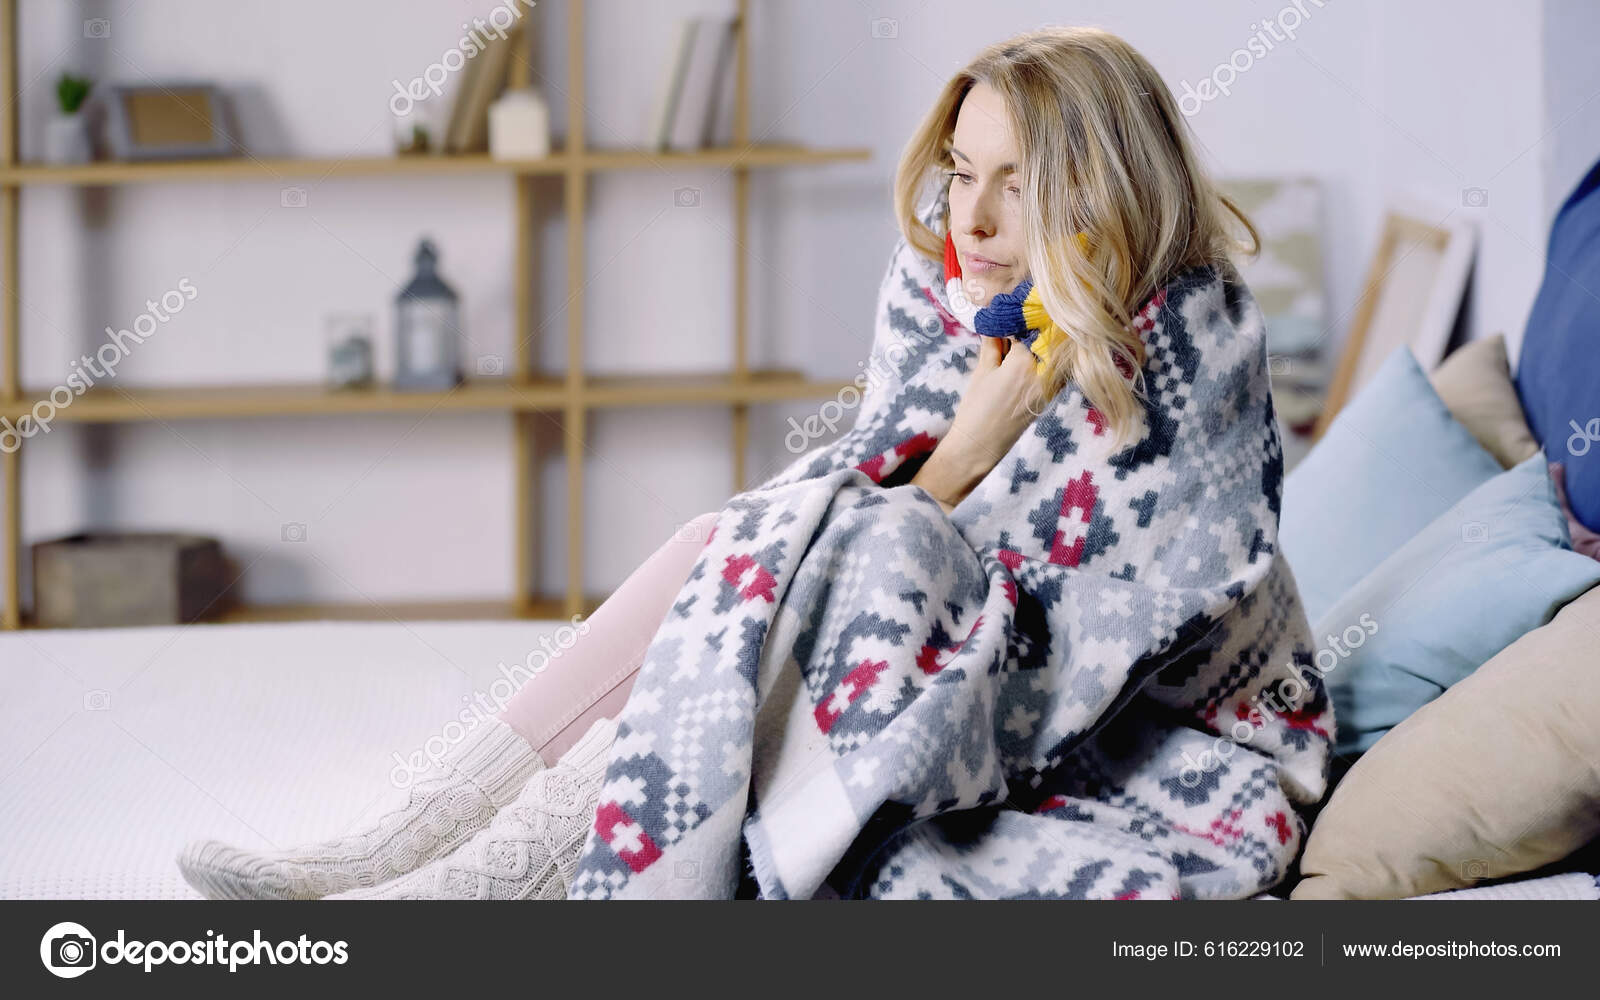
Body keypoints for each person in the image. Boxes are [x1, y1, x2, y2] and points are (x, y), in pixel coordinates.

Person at [178, 24, 1266, 900]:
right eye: (962, 172)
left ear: (1101, 190)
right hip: (923, 635)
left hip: (1104, 726)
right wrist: (956, 459)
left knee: (805, 569)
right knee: (746, 550)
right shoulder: (953, 302)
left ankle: (481, 876)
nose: (971, 219)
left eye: (1018, 185)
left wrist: (963, 459)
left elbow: (1089, 620)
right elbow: (859, 518)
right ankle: (415, 838)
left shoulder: (1190, 346)